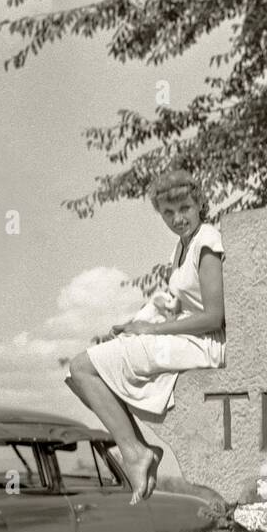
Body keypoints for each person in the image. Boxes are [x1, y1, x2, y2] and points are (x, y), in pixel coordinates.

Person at [65, 166, 226, 504]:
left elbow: (213, 316)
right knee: (78, 375)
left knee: (83, 368)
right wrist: (134, 324)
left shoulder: (208, 241)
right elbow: (171, 303)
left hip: (205, 344)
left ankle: (136, 453)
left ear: (199, 203)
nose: (177, 218)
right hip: (184, 340)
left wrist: (150, 330)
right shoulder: (181, 249)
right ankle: (140, 449)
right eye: (168, 213)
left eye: (184, 208)